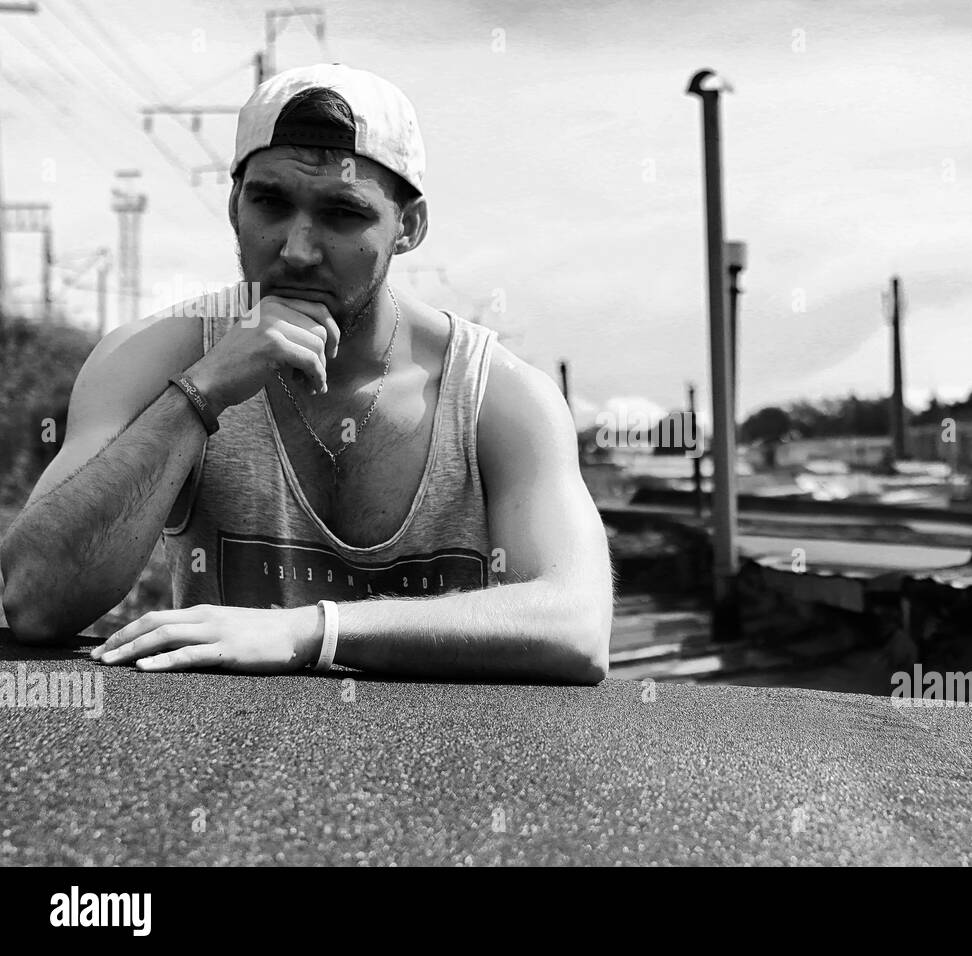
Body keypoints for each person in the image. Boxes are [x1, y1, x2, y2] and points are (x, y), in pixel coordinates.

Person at [0, 64, 613, 683]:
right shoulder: (155, 356)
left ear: (410, 227)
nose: (296, 248)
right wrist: (200, 394)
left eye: (342, 213)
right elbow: (35, 601)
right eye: (270, 201)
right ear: (235, 203)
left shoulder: (495, 394)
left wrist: (309, 631)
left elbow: (575, 625)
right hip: (224, 765)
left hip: (452, 767)